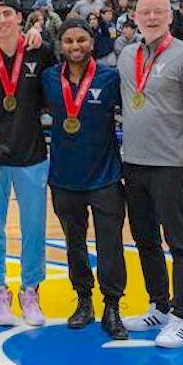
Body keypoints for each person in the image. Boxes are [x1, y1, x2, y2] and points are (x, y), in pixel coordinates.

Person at [118, 0, 183, 348]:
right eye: (146, 12)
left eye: (159, 11)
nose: (152, 17)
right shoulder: (129, 55)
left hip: (173, 166)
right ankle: (159, 306)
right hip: (135, 165)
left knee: (180, 242)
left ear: (170, 16)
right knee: (145, 241)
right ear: (135, 16)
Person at [0, 0, 56, 325]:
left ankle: (30, 291)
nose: (3, 20)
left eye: (8, 14)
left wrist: (41, 34)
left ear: (19, 18)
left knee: (34, 227)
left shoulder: (40, 51)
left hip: (32, 154)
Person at [42, 19, 127, 339]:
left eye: (80, 40)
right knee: (74, 245)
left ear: (92, 42)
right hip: (64, 178)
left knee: (110, 246)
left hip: (105, 177)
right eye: (68, 41)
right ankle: (84, 301)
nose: (75, 46)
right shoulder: (49, 78)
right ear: (60, 45)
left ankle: (113, 306)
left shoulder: (110, 77)